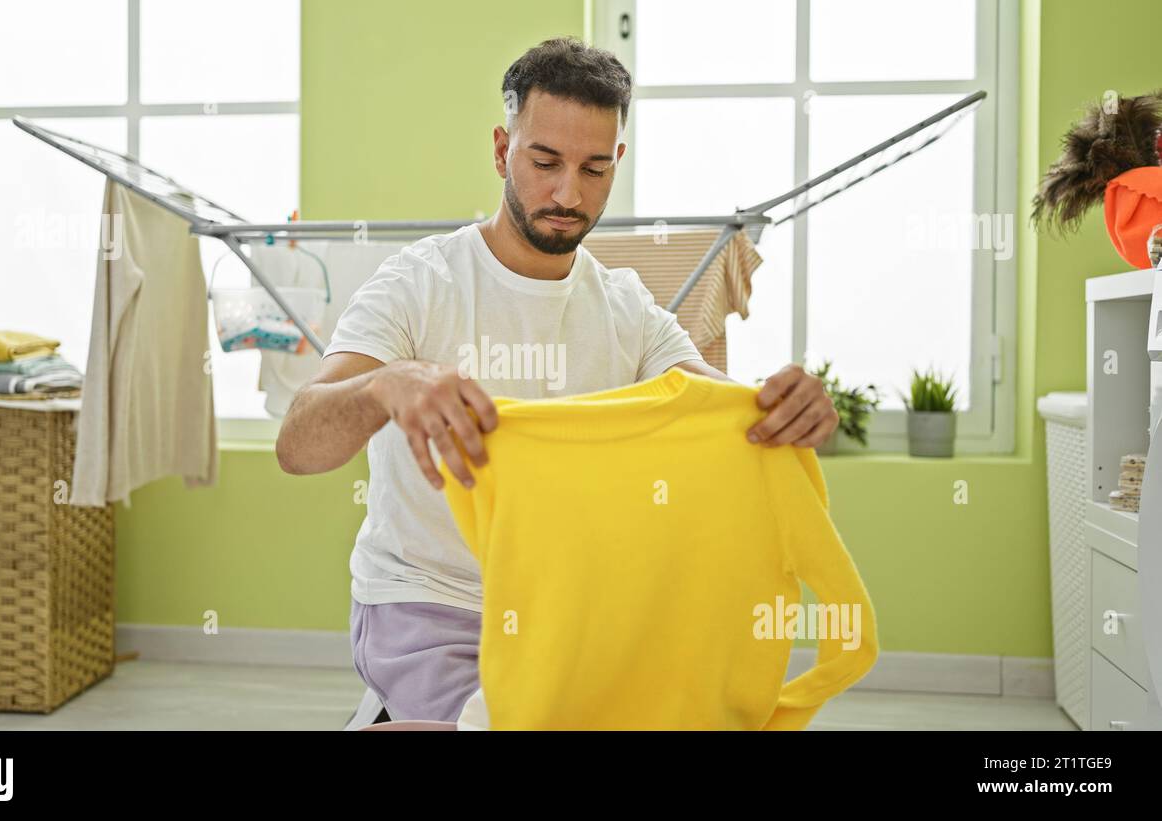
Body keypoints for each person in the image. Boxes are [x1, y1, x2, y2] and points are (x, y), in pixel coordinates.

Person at [275, 36, 838, 725]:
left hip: (574, 613)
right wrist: (384, 385)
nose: (569, 193)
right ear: (500, 150)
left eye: (594, 169)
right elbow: (297, 444)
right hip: (430, 604)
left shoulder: (628, 310)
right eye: (545, 161)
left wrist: (788, 409)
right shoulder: (418, 284)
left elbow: (727, 419)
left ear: (617, 164)